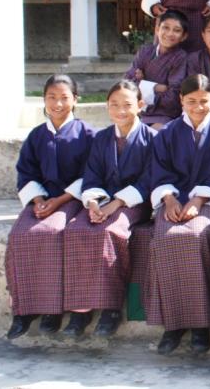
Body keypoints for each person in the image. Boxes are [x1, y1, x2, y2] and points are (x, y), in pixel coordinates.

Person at [62, 80, 153, 338]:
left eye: (127, 104)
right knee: (77, 229)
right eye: (114, 105)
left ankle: (110, 307)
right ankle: (80, 308)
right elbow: (91, 175)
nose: (120, 110)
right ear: (107, 107)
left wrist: (117, 203)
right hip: (103, 200)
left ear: (140, 105)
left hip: (134, 203)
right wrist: (92, 202)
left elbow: (149, 180)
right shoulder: (101, 138)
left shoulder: (152, 138)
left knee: (110, 232)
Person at [6, 75, 95, 340]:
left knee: (51, 232)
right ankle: (24, 309)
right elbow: (26, 172)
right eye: (51, 97)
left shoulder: (87, 134)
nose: (57, 103)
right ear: (43, 100)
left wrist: (58, 201)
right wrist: (38, 200)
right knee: (20, 235)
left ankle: (52, 309)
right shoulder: (36, 135)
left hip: (71, 199)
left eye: (64, 97)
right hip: (42, 199)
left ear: (75, 100)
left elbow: (91, 174)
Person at [145, 74, 210, 355]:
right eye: (191, 101)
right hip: (173, 200)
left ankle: (200, 324)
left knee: (195, 236)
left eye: (204, 101)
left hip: (208, 200)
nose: (198, 106)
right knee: (165, 235)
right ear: (181, 100)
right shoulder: (167, 133)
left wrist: (198, 199)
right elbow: (159, 172)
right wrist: (168, 200)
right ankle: (174, 323)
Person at [124, 10, 188, 128]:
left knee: (155, 133)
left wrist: (142, 84)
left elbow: (172, 97)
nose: (170, 34)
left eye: (177, 30)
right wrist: (157, 87)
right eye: (166, 28)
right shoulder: (145, 51)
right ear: (157, 29)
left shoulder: (181, 57)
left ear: (184, 36)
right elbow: (128, 82)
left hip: (164, 114)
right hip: (137, 110)